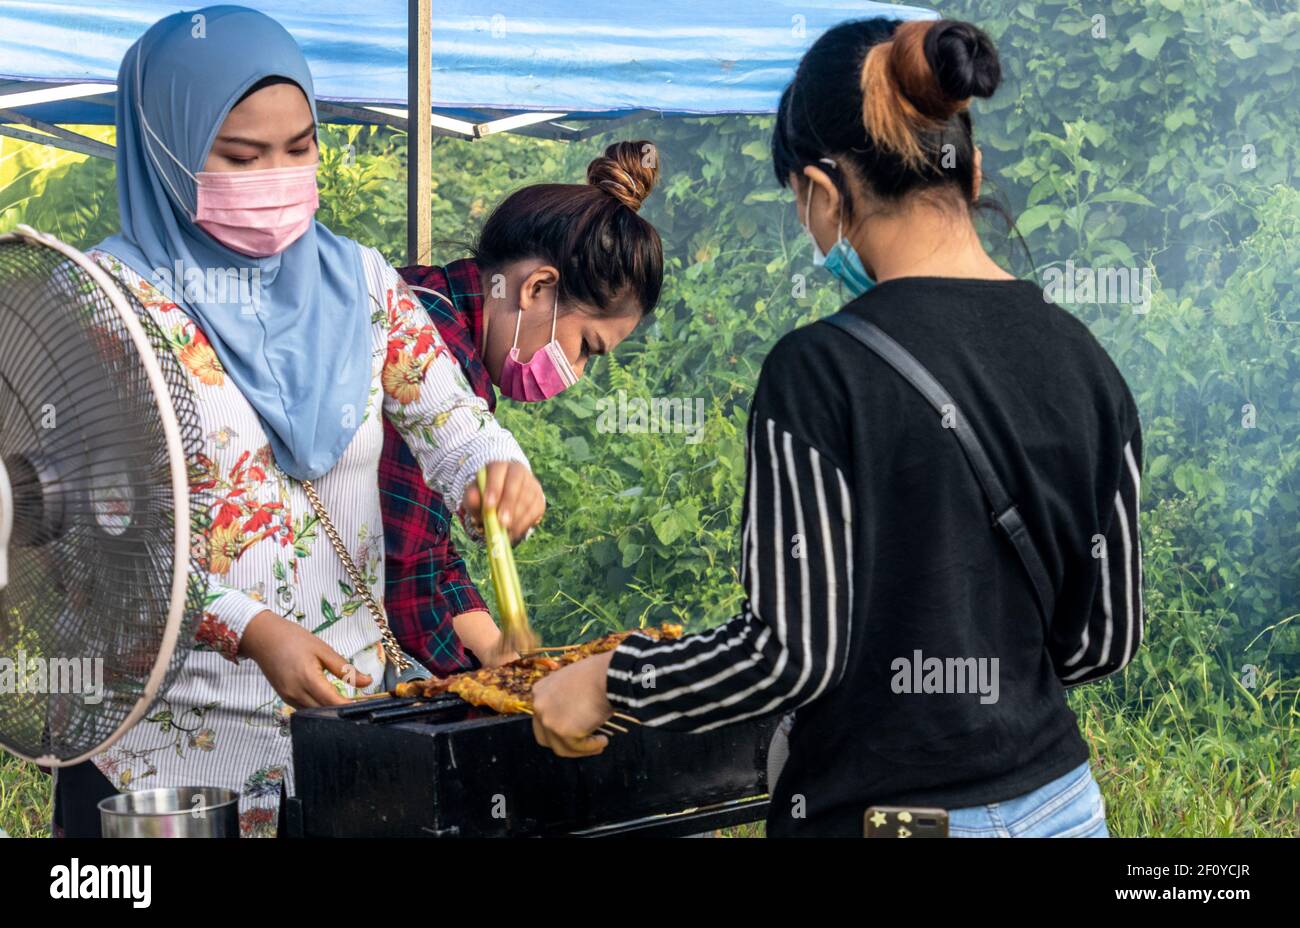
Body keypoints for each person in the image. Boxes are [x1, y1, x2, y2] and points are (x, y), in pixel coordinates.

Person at [531, 17, 1143, 838]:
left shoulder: (819, 371)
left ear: (824, 191)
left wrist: (611, 681)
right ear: (972, 168)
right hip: (1063, 808)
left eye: (803, 206)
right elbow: (1104, 640)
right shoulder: (1085, 359)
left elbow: (790, 654)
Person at [52, 5, 544, 837]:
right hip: (166, 768)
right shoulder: (106, 309)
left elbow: (452, 418)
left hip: (339, 746)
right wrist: (247, 627)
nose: (276, 177)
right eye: (241, 156)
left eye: (299, 147)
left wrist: (495, 468)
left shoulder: (360, 282)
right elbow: (96, 540)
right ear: (165, 149)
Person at [383, 141, 663, 675]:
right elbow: (402, 567)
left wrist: (497, 652)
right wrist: (479, 689)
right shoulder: (427, 342)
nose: (576, 374)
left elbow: (433, 551)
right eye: (586, 348)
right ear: (537, 288)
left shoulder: (442, 319)